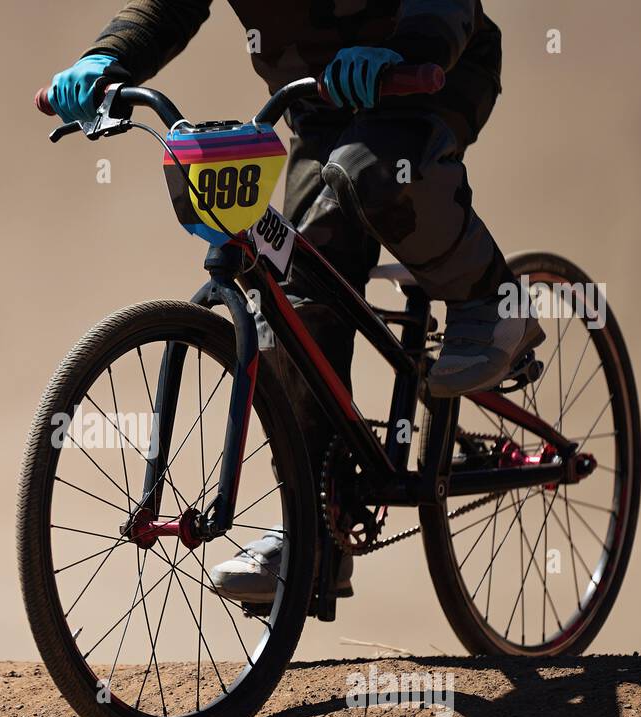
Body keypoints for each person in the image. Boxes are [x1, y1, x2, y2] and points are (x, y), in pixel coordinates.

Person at [47, 1, 541, 603]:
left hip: (427, 78)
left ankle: (492, 302)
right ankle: (313, 533)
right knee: (289, 290)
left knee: (369, 172)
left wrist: (408, 51)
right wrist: (107, 56)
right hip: (321, 106)